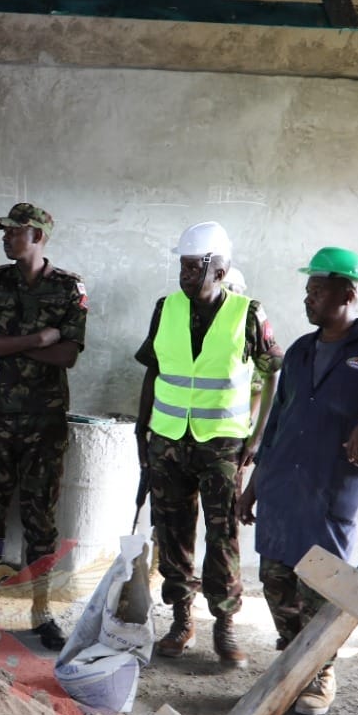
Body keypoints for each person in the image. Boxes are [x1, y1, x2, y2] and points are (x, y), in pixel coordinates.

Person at [236, 247, 358, 715]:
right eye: (308, 290)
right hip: (281, 485)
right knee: (275, 580)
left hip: (329, 486)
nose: (309, 298)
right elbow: (277, 424)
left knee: (321, 585)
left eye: (318, 290)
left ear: (348, 293)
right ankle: (293, 663)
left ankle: (320, 673)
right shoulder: (300, 350)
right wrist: (253, 488)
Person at [135, 222, 283, 665]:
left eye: (192, 267)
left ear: (220, 271)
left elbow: (273, 371)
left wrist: (258, 435)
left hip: (222, 445)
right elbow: (153, 369)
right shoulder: (166, 308)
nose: (184, 275)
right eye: (181, 266)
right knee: (172, 531)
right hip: (167, 440)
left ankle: (225, 624)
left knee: (222, 537)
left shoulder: (248, 313)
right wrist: (141, 429)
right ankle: (182, 620)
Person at [0, 203, 87, 649]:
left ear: (38, 236)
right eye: (5, 231)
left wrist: (6, 346)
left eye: (14, 231)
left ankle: (41, 612)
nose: (5, 237)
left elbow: (66, 355)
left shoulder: (68, 288)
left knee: (40, 522)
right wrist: (36, 339)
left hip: (45, 423)